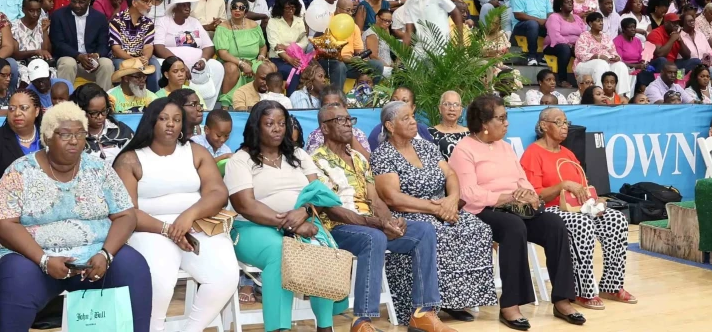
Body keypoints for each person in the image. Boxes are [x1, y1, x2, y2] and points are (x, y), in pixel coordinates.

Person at [0, 102, 153, 331]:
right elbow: (0, 223)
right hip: (30, 257)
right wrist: (43, 260)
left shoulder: (98, 169)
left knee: (133, 265)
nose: (74, 141)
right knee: (17, 278)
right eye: (65, 134)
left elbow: (126, 215)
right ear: (47, 137)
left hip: (95, 257)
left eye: (80, 134)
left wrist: (106, 254)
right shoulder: (21, 170)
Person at [311, 100, 458, 332]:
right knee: (374, 238)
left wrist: (389, 220)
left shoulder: (359, 159)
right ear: (324, 128)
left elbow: (376, 200)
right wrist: (377, 224)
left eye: (349, 119)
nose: (348, 124)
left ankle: (422, 313)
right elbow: (331, 209)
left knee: (423, 230)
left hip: (372, 224)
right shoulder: (315, 161)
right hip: (338, 227)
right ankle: (362, 320)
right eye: (340, 120)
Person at [448, 95, 585, 329]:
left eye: (506, 117)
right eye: (501, 118)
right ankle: (510, 305)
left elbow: (522, 180)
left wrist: (530, 194)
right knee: (514, 227)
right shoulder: (464, 150)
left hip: (515, 207)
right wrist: (505, 197)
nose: (506, 123)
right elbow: (469, 193)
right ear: (484, 124)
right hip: (482, 210)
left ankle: (562, 299)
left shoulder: (505, 147)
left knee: (554, 225)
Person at [113, 98, 239, 332]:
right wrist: (168, 229)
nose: (170, 124)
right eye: (163, 118)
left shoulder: (195, 152)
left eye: (177, 119)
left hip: (194, 224)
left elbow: (217, 192)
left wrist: (188, 216)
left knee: (226, 277)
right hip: (148, 228)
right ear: (151, 121)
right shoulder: (130, 159)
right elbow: (126, 212)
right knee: (160, 280)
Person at [226, 100, 350, 332]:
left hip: (303, 221)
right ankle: (279, 328)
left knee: (320, 248)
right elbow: (245, 205)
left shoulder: (298, 154)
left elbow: (317, 194)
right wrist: (290, 225)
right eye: (269, 123)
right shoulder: (240, 160)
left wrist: (303, 213)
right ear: (256, 126)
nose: (277, 129)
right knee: (281, 252)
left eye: (281, 123)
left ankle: (325, 326)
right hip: (251, 229)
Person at [371, 100, 499, 323]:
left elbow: (450, 175)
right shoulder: (383, 155)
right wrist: (436, 208)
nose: (414, 122)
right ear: (390, 126)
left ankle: (457, 299)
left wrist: (451, 200)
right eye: (406, 118)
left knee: (477, 228)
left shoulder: (426, 147)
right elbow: (393, 198)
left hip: (442, 207)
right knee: (436, 232)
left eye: (413, 117)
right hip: (410, 213)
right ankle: (424, 307)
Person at [521, 108, 635, 308]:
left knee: (615, 219)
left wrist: (597, 200)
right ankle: (583, 291)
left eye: (566, 122)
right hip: (548, 210)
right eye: (559, 122)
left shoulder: (568, 154)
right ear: (543, 126)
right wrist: (562, 186)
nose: (565, 127)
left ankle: (612, 285)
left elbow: (582, 186)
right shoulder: (533, 153)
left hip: (578, 207)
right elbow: (534, 195)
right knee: (582, 223)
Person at [153, 0, 226, 109]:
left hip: (196, 65)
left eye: (188, 5)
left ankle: (207, 109)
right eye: (183, 5)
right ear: (175, 7)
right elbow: (158, 47)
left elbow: (209, 46)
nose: (187, 8)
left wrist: (203, 60)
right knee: (160, 64)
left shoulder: (194, 22)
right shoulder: (163, 21)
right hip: (173, 63)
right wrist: (180, 63)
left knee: (217, 66)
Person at [49, 0, 115, 90]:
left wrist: (96, 56)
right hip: (70, 58)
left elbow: (104, 44)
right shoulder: (58, 15)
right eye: (74, 1)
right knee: (68, 63)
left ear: (89, 0)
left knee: (107, 64)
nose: (77, 5)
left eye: (81, 2)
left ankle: (103, 102)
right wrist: (78, 56)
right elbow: (58, 43)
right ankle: (65, 102)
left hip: (91, 62)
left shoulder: (99, 17)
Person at [214, 0, 267, 107]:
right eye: (234, 7)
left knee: (265, 68)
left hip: (252, 60)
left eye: (241, 8)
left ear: (246, 11)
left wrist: (262, 55)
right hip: (231, 60)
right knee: (231, 68)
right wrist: (241, 63)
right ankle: (225, 104)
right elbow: (222, 53)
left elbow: (263, 46)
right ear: (230, 9)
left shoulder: (254, 26)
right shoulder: (223, 27)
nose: (237, 10)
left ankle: (260, 101)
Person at [109, 0, 158, 90]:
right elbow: (116, 49)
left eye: (150, 1)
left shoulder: (148, 23)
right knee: (121, 65)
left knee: (155, 65)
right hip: (121, 58)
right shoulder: (117, 21)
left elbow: (149, 46)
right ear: (135, 3)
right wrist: (134, 60)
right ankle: (122, 99)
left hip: (141, 57)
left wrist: (146, 58)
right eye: (146, 1)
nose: (150, 5)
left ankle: (154, 99)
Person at [573, 11, 632, 98]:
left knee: (620, 65)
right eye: (598, 21)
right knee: (601, 63)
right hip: (584, 64)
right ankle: (600, 95)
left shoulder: (606, 37)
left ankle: (621, 96)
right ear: (590, 23)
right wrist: (598, 56)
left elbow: (613, 52)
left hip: (606, 63)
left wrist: (616, 57)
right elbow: (580, 54)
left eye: (601, 21)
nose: (601, 23)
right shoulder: (584, 36)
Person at [75, 82, 134, 162]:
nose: (100, 117)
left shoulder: (121, 131)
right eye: (94, 113)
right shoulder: (73, 135)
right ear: (81, 111)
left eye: (104, 111)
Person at [510, 0, 552, 66]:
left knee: (555, 23)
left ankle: (544, 55)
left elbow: (550, 12)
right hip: (522, 26)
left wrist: (547, 21)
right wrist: (538, 20)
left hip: (542, 23)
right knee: (533, 24)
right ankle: (531, 56)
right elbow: (518, 15)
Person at [427, 91, 468, 162]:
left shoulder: (470, 134)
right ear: (440, 108)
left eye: (456, 104)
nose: (452, 108)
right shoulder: (429, 133)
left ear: (461, 110)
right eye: (447, 104)